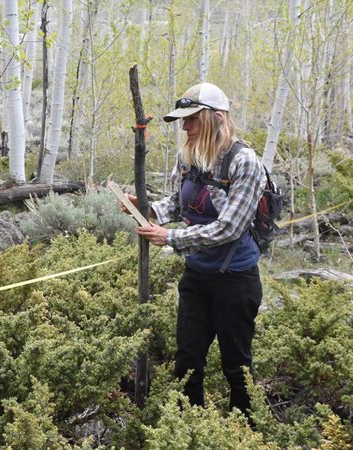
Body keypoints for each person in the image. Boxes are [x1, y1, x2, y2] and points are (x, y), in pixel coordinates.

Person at [124, 83, 265, 418]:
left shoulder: (244, 162)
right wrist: (147, 210)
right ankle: (190, 427)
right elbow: (175, 203)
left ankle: (242, 433)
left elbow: (229, 228)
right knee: (187, 362)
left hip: (235, 281)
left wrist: (170, 238)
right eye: (183, 121)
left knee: (236, 367)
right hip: (197, 278)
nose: (184, 127)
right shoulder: (188, 159)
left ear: (215, 119)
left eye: (191, 120)